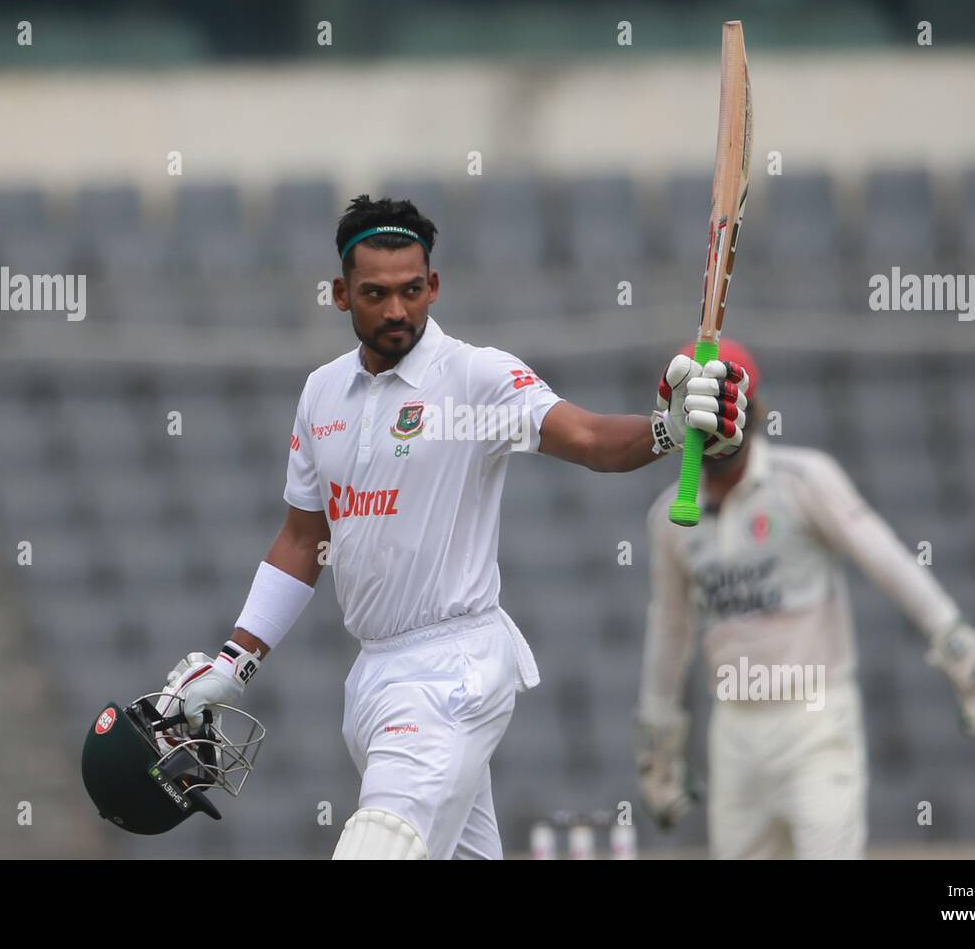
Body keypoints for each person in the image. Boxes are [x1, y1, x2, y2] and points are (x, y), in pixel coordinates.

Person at [159, 195, 754, 859]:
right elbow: (303, 539)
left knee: (378, 847)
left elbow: (587, 438)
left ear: (434, 286)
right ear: (339, 295)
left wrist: (665, 428)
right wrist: (236, 662)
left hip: (453, 671)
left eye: (412, 291)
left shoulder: (476, 377)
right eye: (375, 293)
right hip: (375, 676)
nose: (396, 310)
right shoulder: (320, 394)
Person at [634, 338, 975, 859]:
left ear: (754, 413)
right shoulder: (670, 519)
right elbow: (670, 627)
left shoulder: (803, 480)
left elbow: (885, 559)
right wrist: (659, 734)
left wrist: (957, 645)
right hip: (734, 732)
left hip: (814, 722)